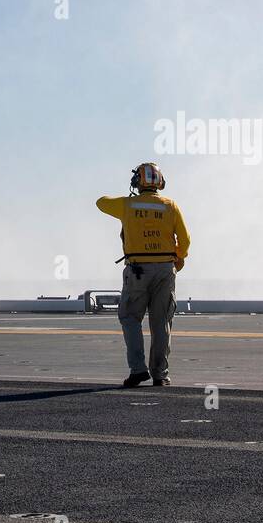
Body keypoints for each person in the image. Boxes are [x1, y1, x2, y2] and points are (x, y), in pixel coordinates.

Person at [96, 164, 190, 388]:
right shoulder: (170, 206)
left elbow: (101, 202)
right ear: (160, 182)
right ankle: (160, 374)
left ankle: (138, 370)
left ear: (138, 182)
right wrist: (178, 259)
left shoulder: (127, 205)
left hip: (137, 269)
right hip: (165, 270)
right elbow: (185, 240)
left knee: (130, 318)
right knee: (161, 322)